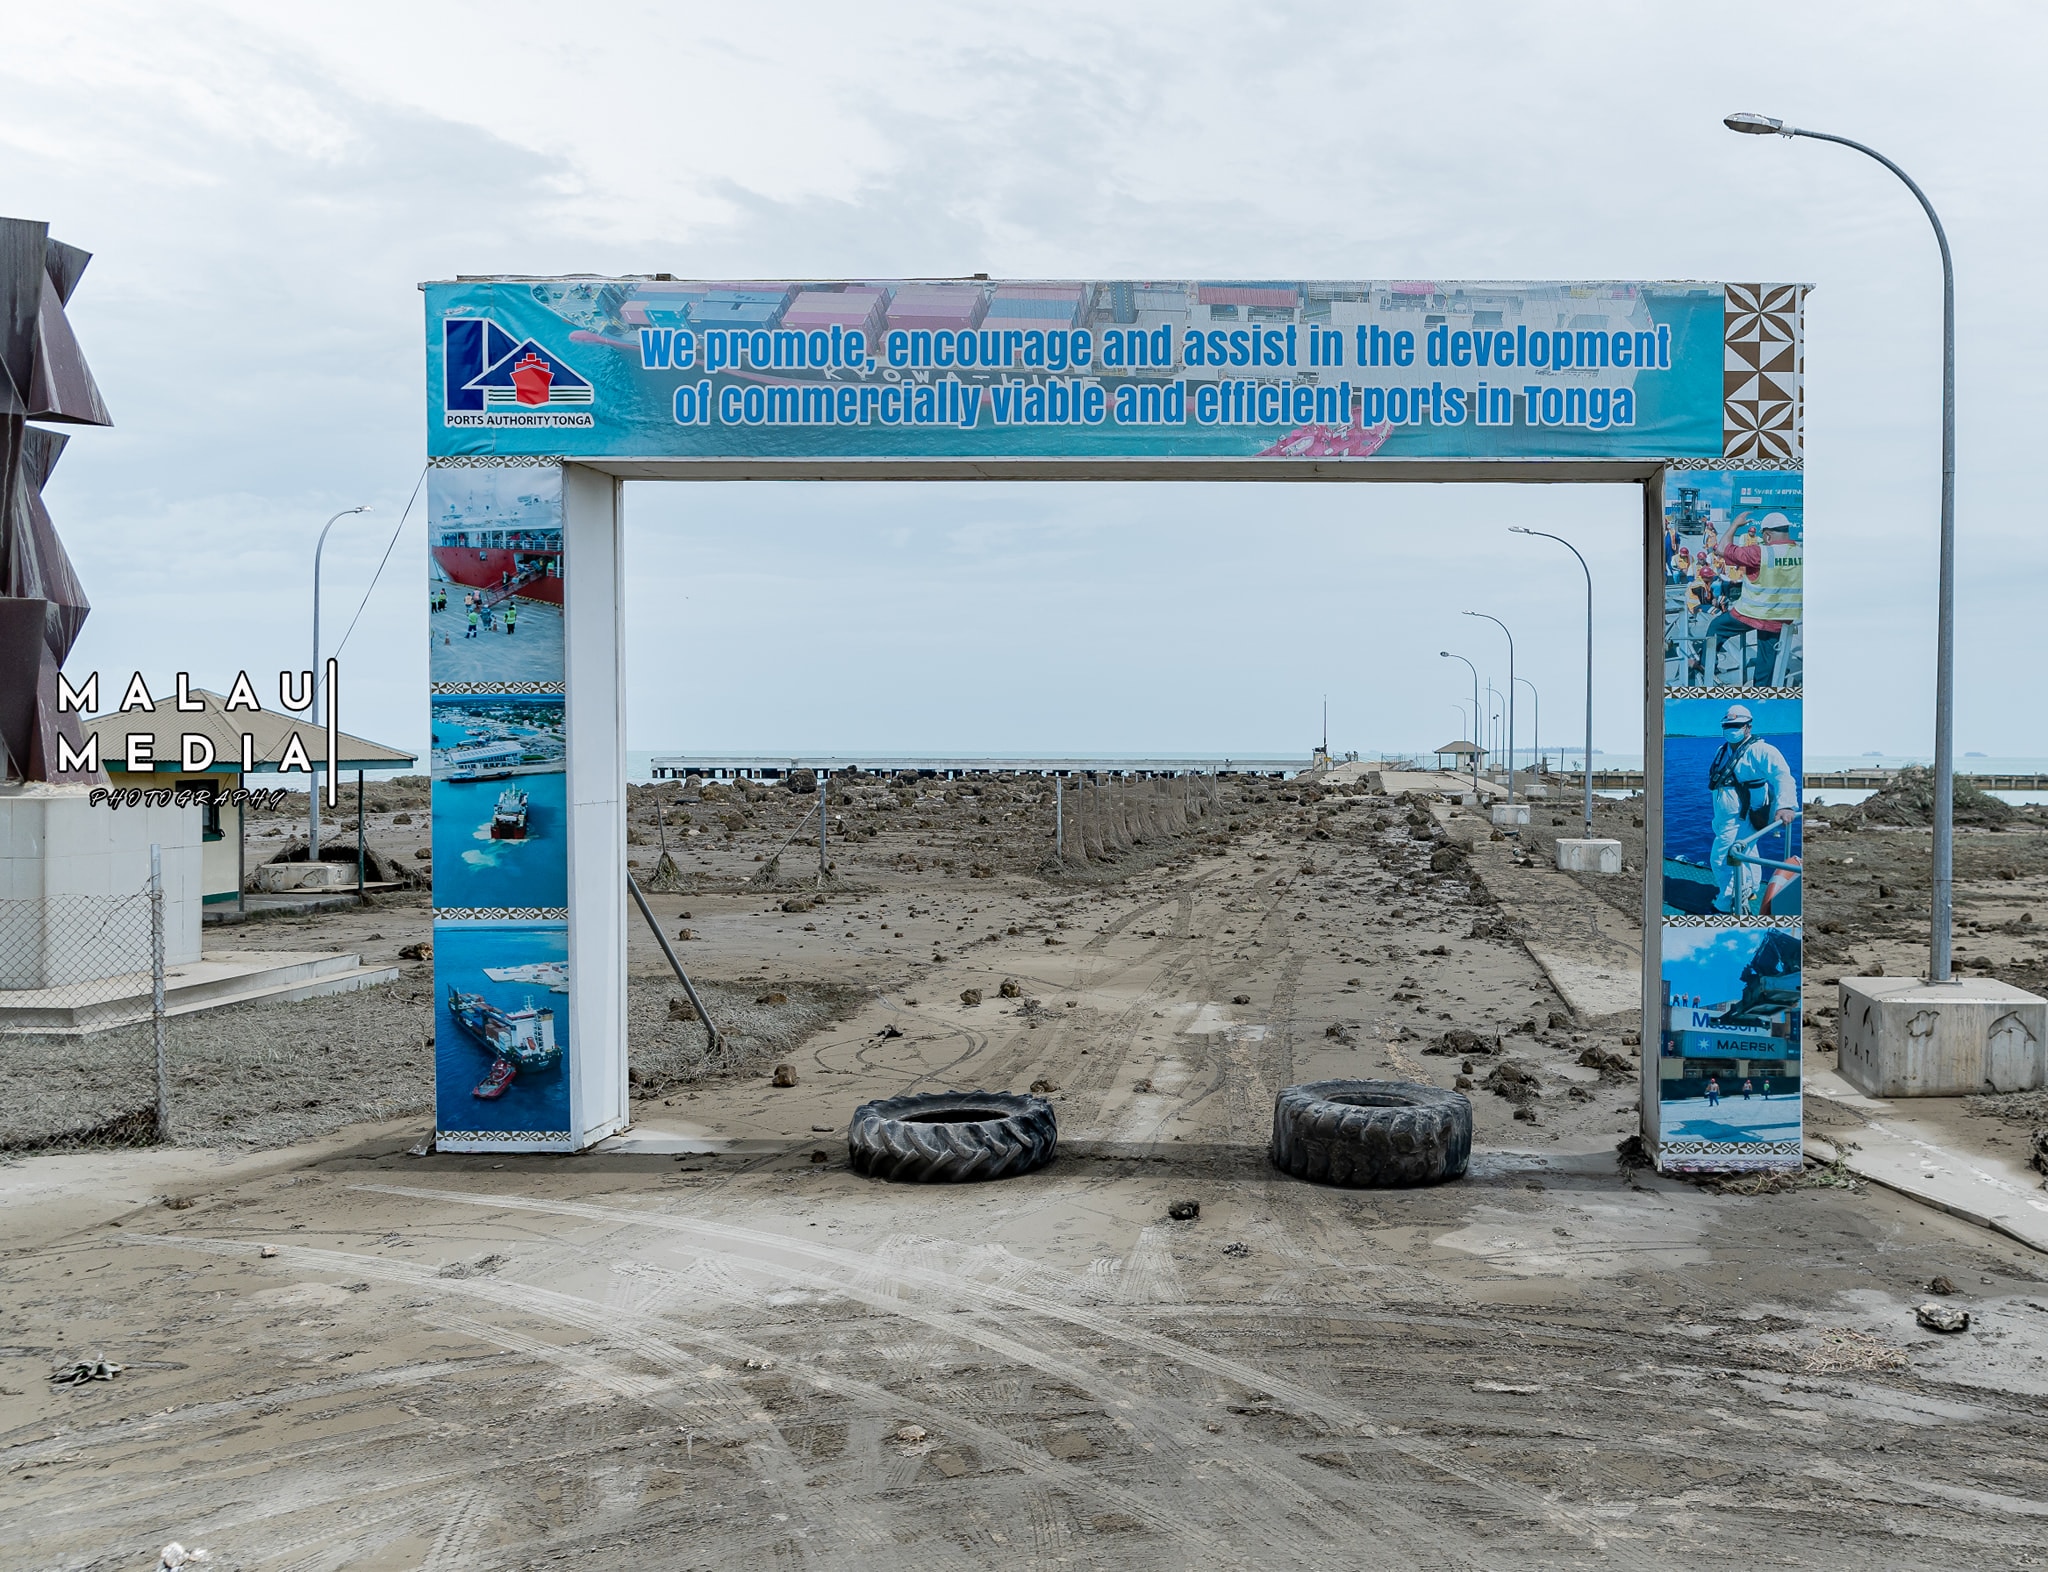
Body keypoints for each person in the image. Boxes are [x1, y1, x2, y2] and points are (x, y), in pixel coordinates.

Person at [1707, 704, 1798, 915]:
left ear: (1748, 726)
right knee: (1748, 850)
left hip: (1744, 816)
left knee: (1722, 858)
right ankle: (1751, 889)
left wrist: (1784, 805)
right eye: (1728, 725)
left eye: (1737, 725)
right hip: (1724, 816)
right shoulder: (1722, 751)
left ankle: (1726, 904)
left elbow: (1782, 776)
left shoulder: (1763, 750)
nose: (1732, 729)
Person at [1708, 512, 1801, 685]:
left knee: (1716, 627)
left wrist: (1735, 524)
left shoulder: (1760, 553)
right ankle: (1761, 694)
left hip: (1752, 614)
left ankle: (1706, 665)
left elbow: (1721, 549)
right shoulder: (1801, 553)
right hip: (1781, 619)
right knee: (1766, 661)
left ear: (1767, 535)